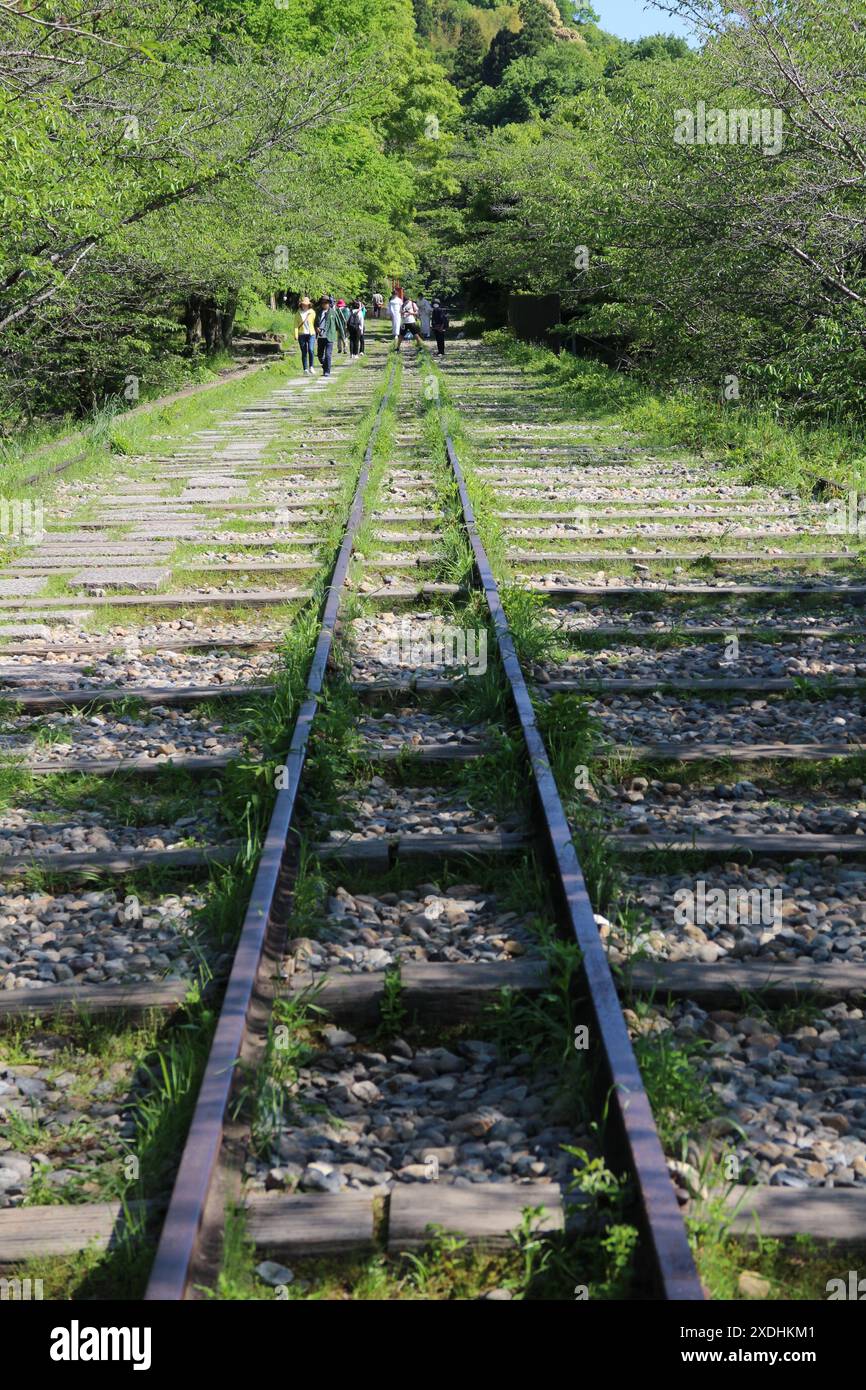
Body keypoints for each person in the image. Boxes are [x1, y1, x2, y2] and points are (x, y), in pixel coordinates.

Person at [315, 294, 344, 376]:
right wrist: (316, 328)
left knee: (328, 355)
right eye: (323, 302)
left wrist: (343, 337)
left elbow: (339, 325)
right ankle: (325, 366)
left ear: (329, 303)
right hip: (320, 337)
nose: (324, 304)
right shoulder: (318, 312)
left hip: (330, 336)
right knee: (320, 356)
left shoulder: (333, 312)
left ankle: (327, 371)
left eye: (326, 302)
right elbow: (315, 323)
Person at [295, 296, 317, 374]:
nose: (305, 305)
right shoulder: (298, 313)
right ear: (301, 305)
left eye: (306, 304)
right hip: (302, 334)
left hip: (311, 333)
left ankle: (311, 366)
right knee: (304, 352)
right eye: (304, 304)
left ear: (309, 305)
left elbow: (315, 322)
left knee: (311, 349)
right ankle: (305, 369)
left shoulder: (312, 312)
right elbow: (295, 325)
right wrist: (296, 334)